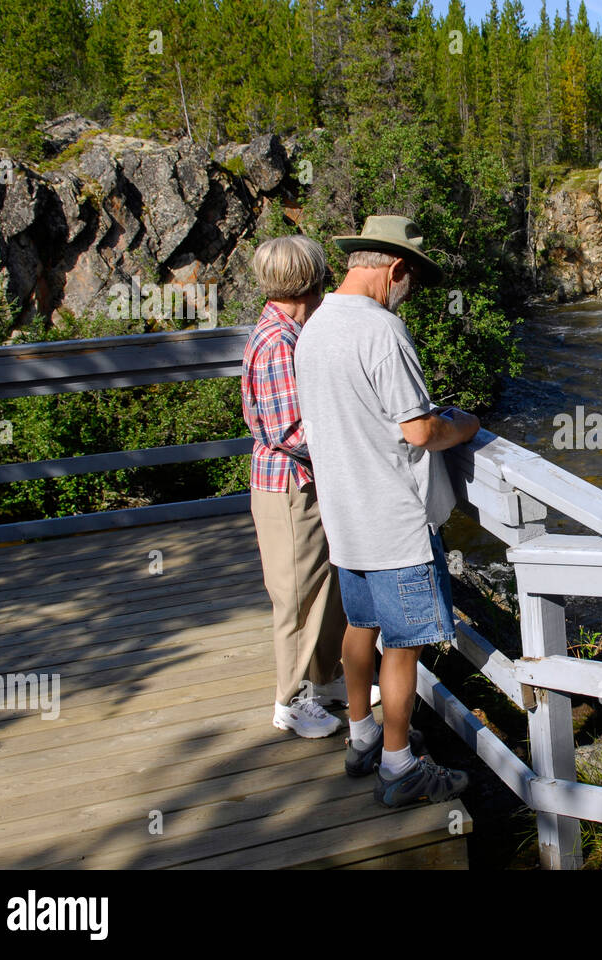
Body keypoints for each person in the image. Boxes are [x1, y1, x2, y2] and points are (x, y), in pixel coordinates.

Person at [295, 215, 480, 808]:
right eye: (413, 281)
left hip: (345, 513)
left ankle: (362, 735)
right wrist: (465, 423)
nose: (411, 293)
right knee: (403, 648)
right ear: (395, 268)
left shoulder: (315, 324)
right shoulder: (382, 331)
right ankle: (401, 768)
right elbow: (421, 429)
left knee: (361, 629)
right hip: (393, 518)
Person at [243, 235, 377, 739]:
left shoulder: (287, 330)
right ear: (310, 280)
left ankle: (323, 681)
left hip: (300, 483)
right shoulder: (278, 341)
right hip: (287, 487)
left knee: (324, 588)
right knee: (297, 598)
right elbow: (288, 431)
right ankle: (291, 701)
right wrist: (355, 437)